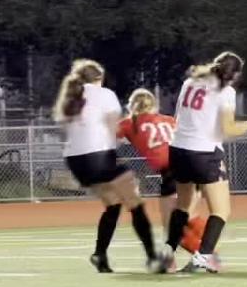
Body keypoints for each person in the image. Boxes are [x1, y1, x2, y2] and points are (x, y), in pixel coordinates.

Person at [54, 60, 169, 274]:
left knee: (114, 204)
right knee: (136, 204)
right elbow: (112, 130)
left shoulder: (69, 99)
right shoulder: (106, 94)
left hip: (76, 161)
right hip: (99, 156)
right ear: (99, 78)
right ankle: (153, 258)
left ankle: (100, 255)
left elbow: (72, 129)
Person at [168, 52, 247, 273]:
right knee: (221, 210)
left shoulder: (190, 82)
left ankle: (166, 254)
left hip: (178, 149)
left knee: (183, 206)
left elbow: (178, 117)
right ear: (234, 75)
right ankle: (202, 258)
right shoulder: (226, 92)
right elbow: (229, 129)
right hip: (203, 152)